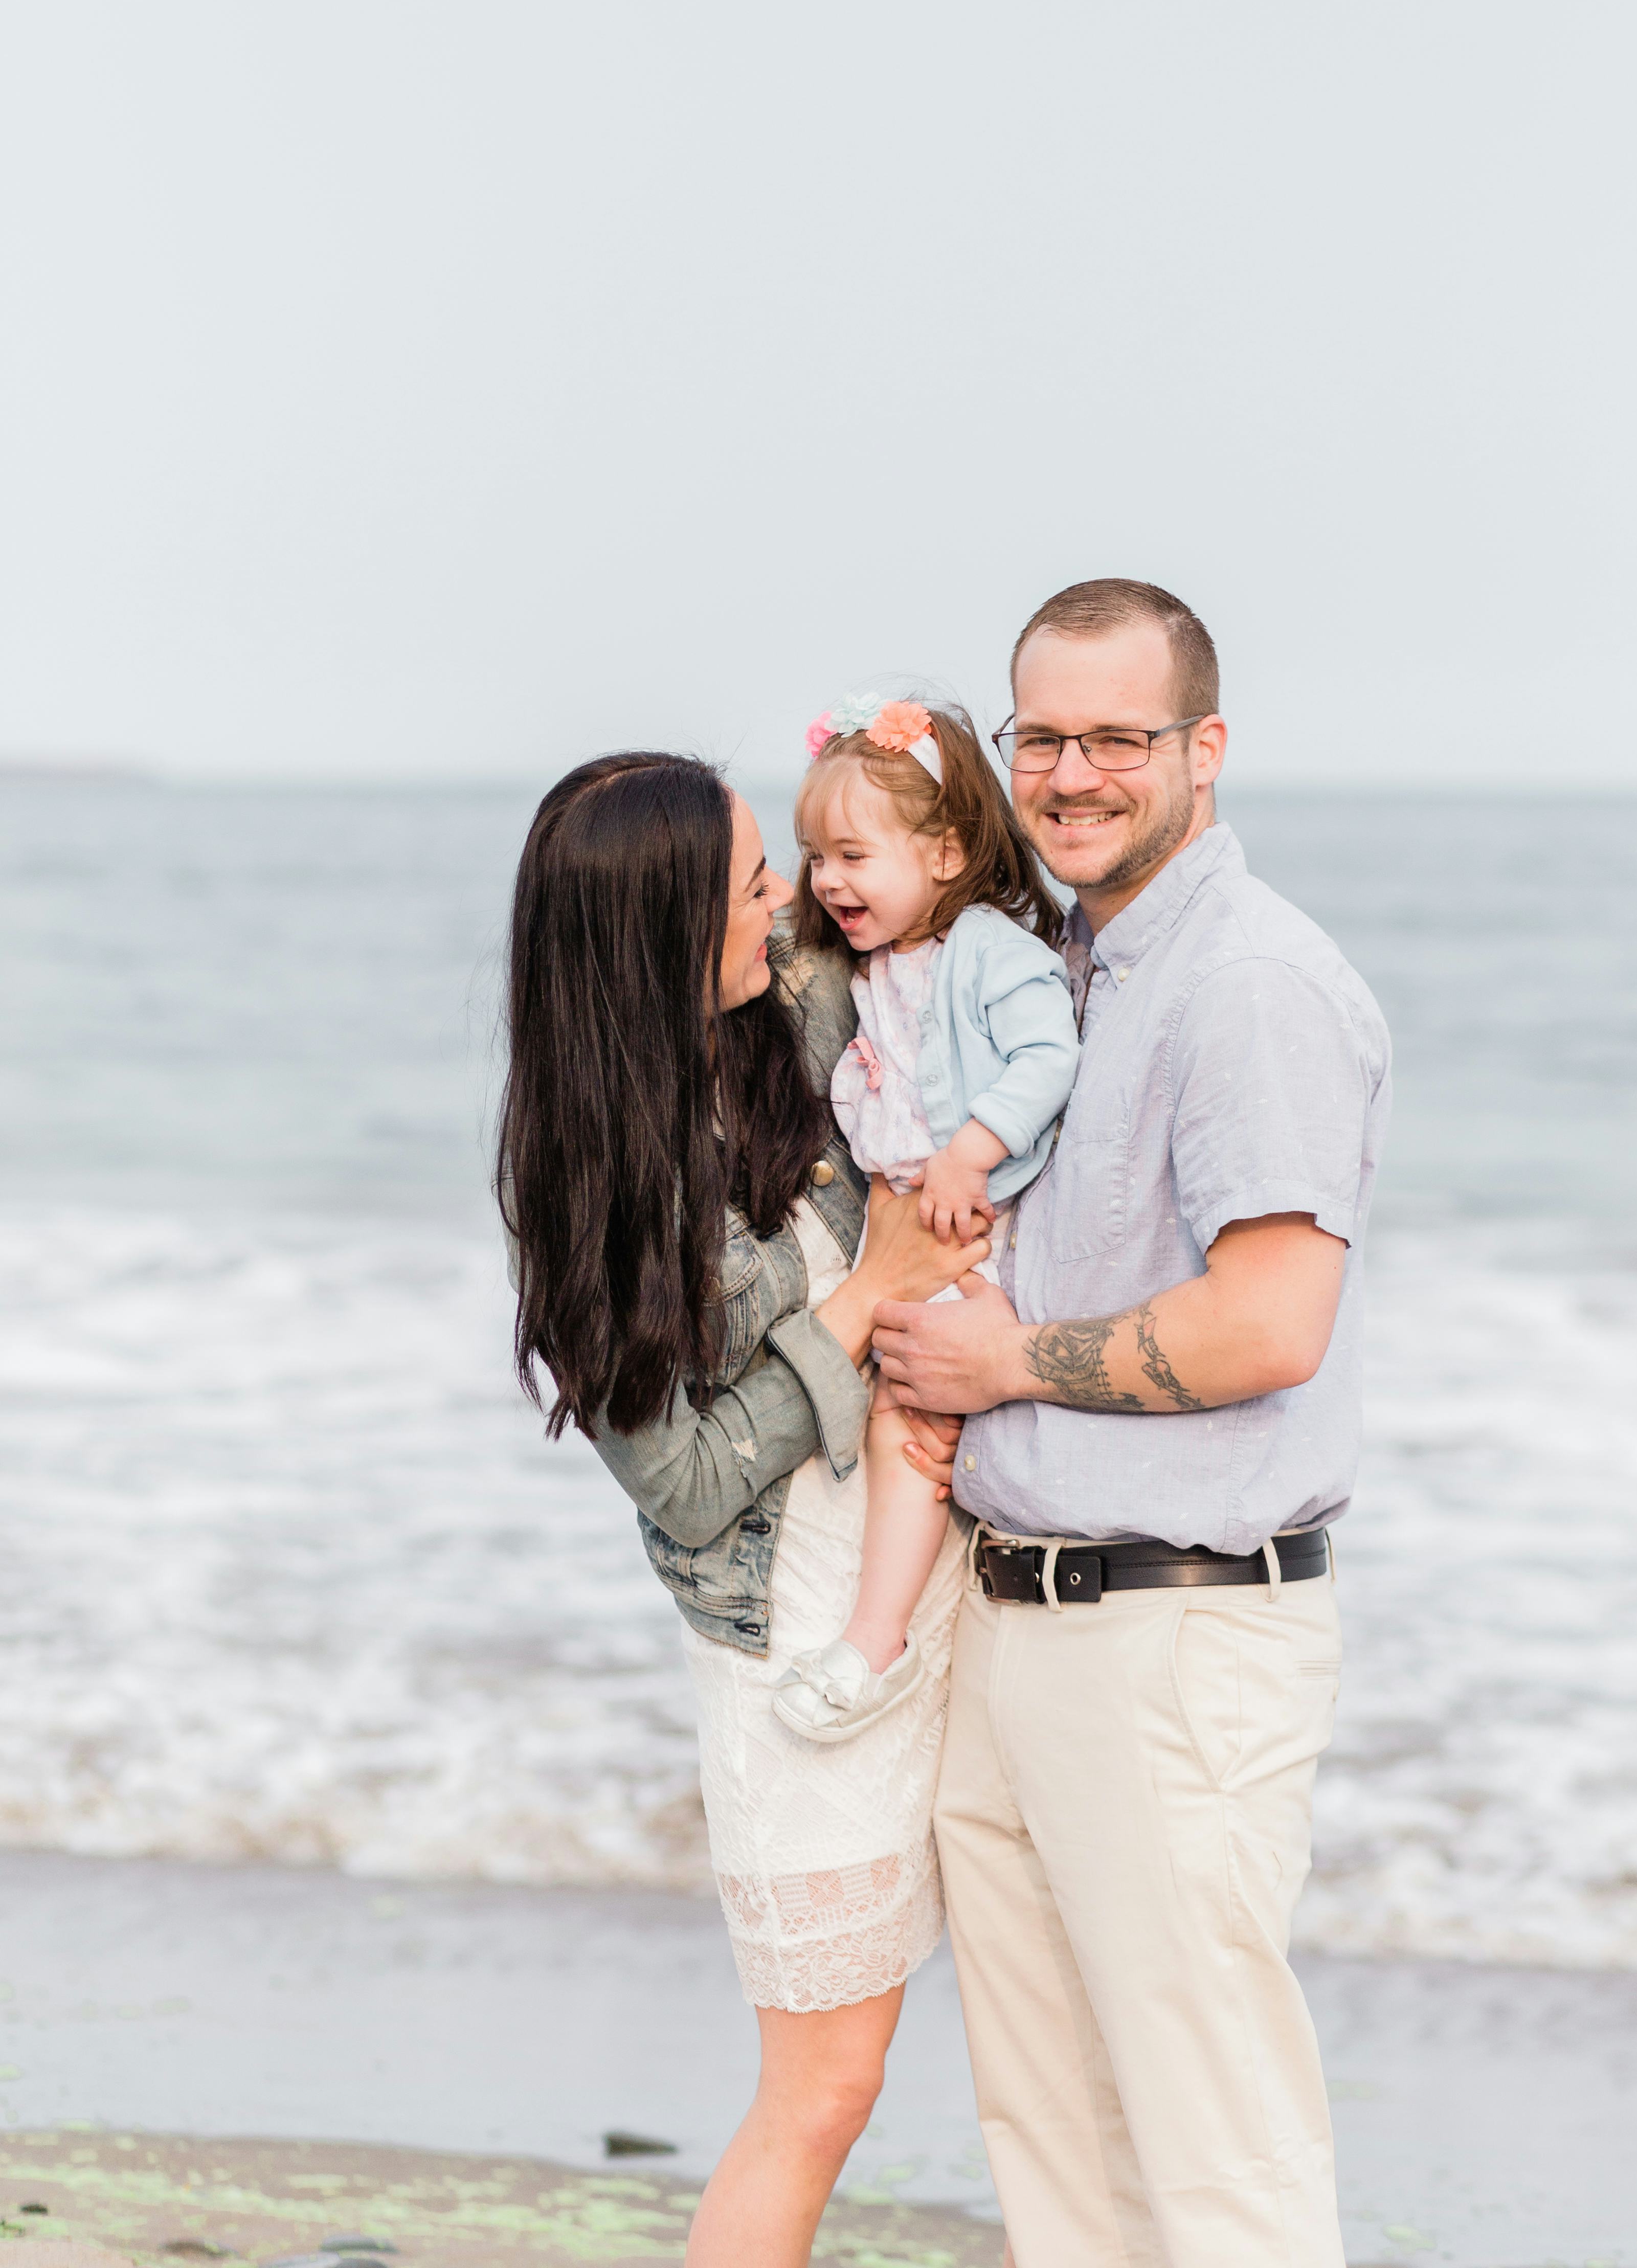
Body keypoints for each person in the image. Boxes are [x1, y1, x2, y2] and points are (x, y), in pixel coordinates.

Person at [873, 578, 1393, 2268]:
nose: (1074, 773)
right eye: (1044, 737)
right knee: (1054, 2138)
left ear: (1203, 749)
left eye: (1118, 738)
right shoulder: (1057, 970)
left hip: (1173, 1629)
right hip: (1013, 1618)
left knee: (1207, 2141)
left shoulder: (1246, 986)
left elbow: (1266, 1321)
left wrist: (1003, 1366)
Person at [498, 752, 987, 2268]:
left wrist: (925, 757)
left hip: (960, 1579)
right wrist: (862, 1305)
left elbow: (958, 901)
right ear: (658, 934)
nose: (789, 903)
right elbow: (696, 1490)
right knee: (829, 2089)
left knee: (1043, 2055)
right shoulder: (592, 1182)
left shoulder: (800, 1019)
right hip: (799, 1652)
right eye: (751, 885)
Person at [772, 691, 1077, 1741]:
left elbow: (1049, 1057)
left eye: (853, 855)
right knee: (901, 1416)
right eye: (815, 857)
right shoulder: (880, 970)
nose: (827, 881)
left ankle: (875, 1637)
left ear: (946, 854)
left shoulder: (989, 950)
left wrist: (969, 1151)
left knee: (910, 1419)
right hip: (911, 1229)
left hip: (966, 1224)